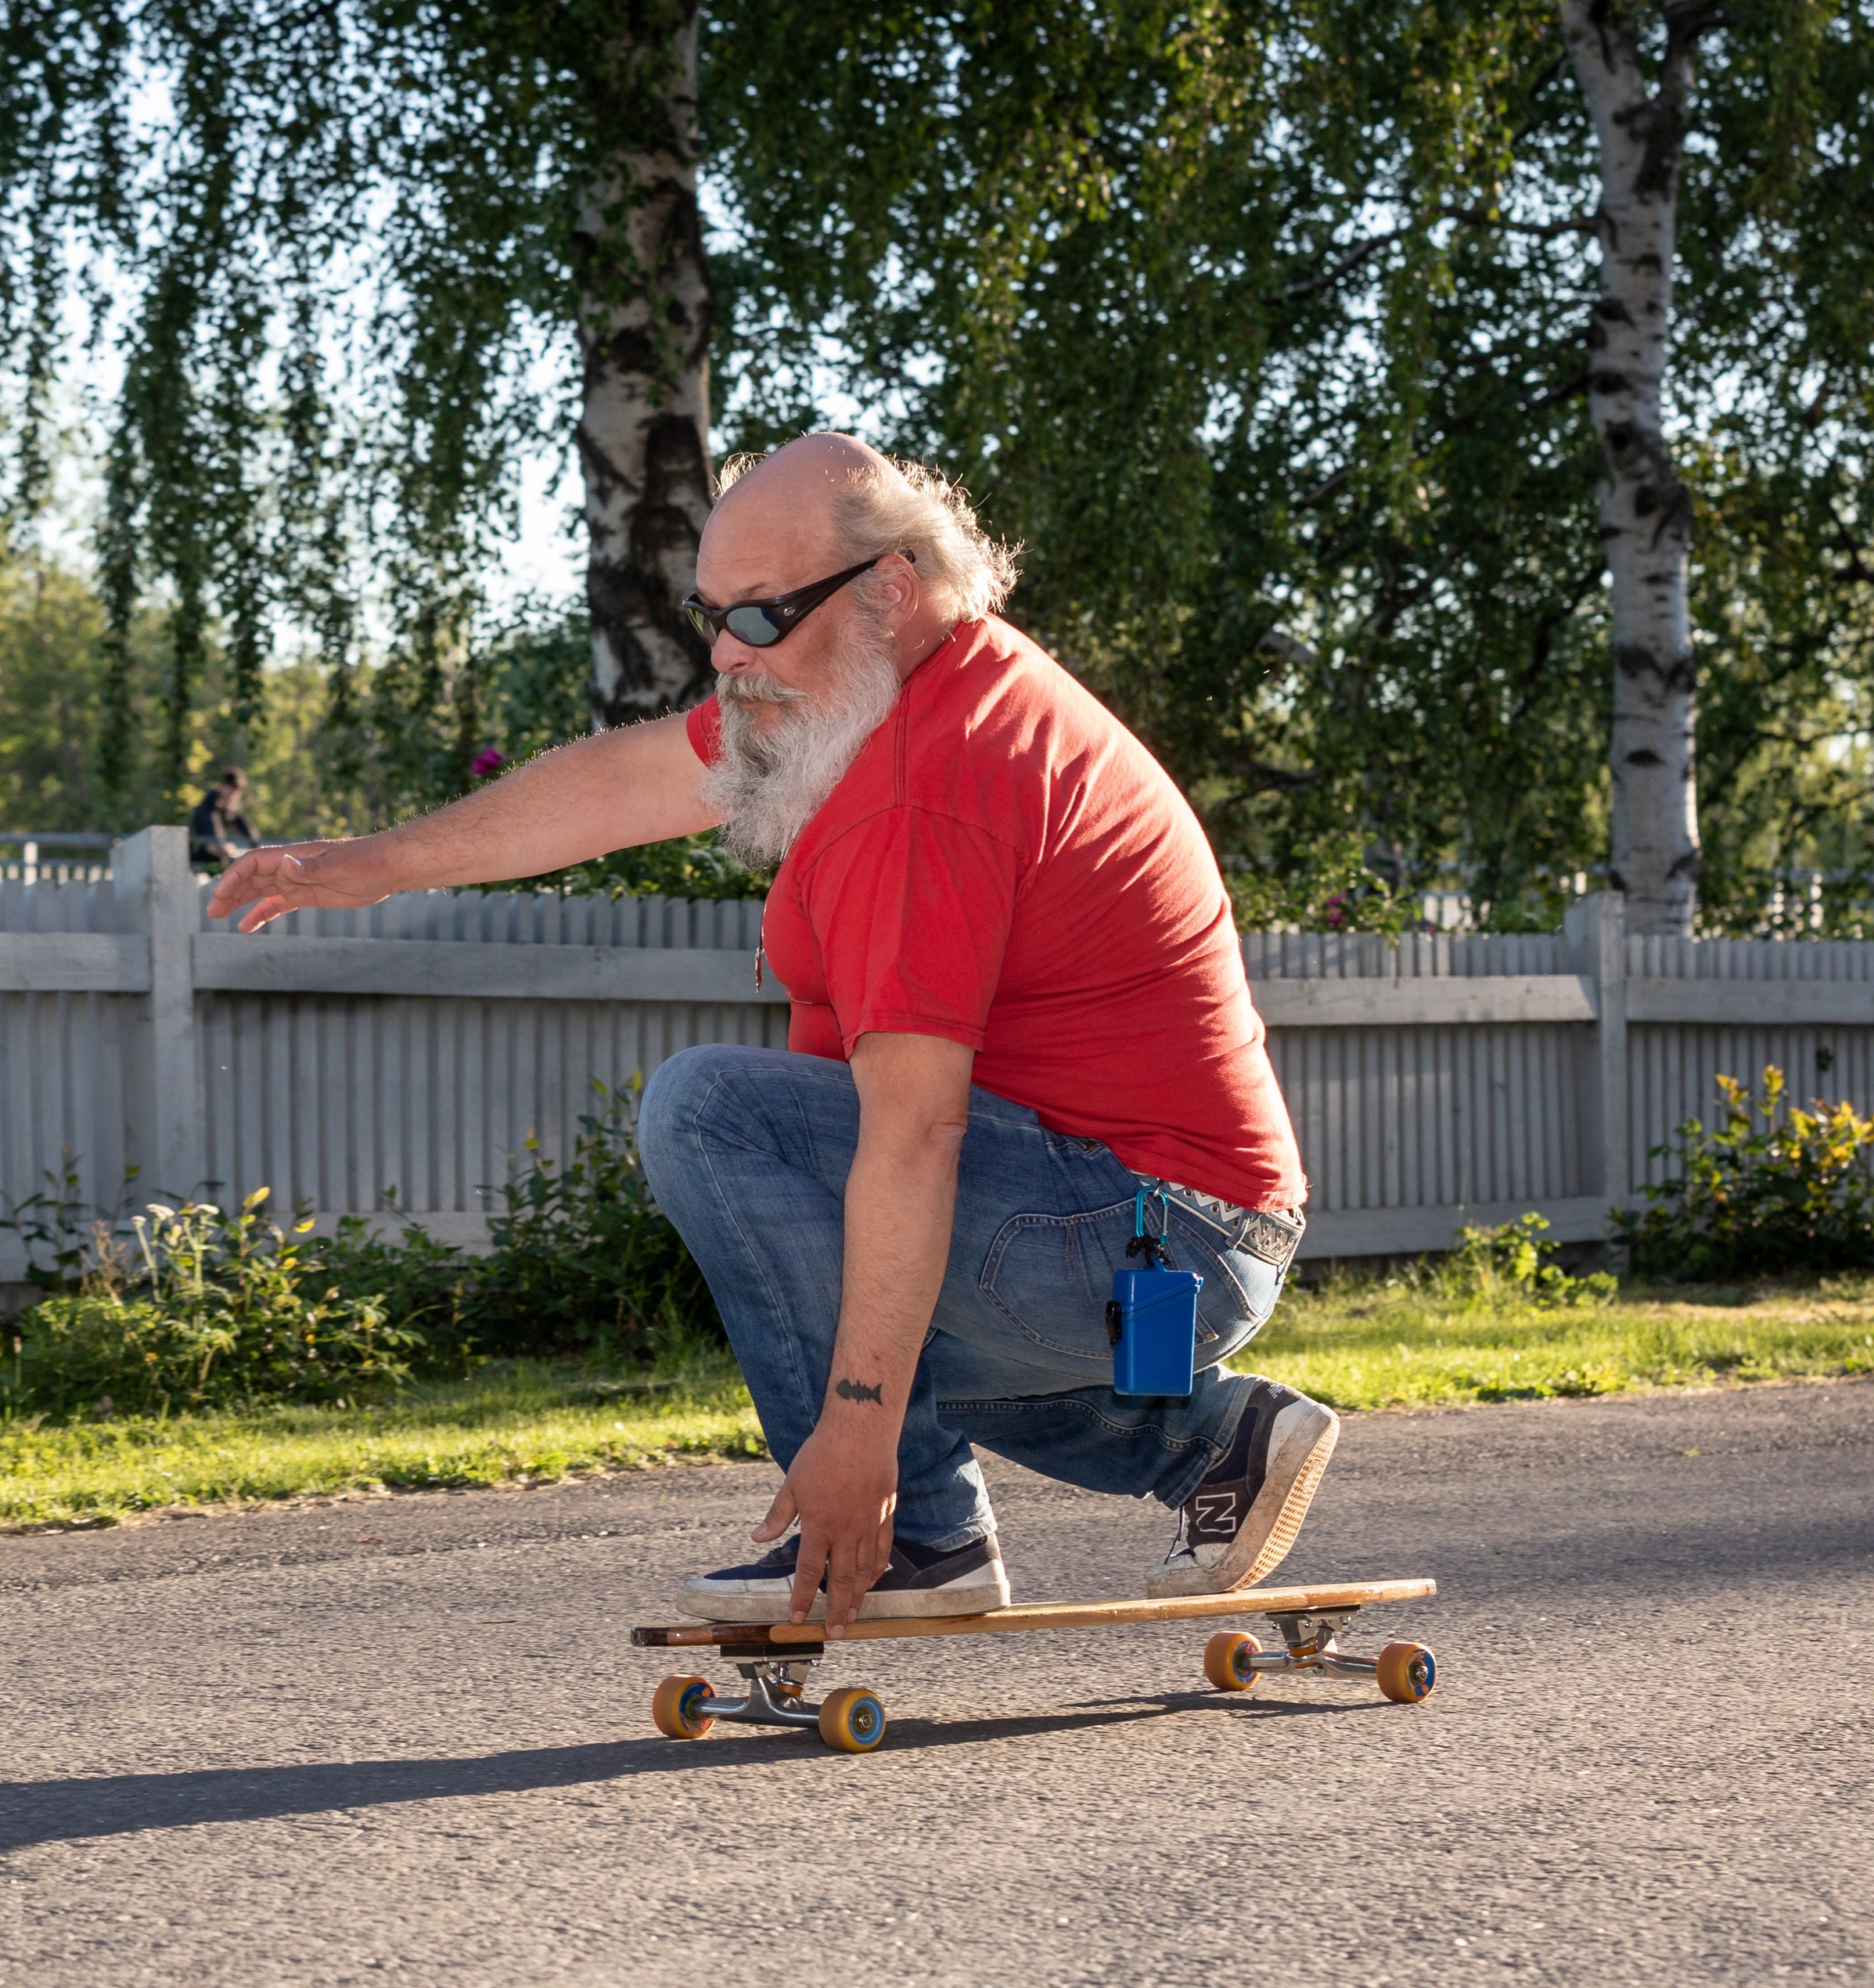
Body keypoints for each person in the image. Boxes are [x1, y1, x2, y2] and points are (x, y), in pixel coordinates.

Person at [204, 434, 1327, 1636]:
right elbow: (624, 781)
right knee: (846, 1288)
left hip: (1146, 1228)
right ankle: (1214, 1443)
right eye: (713, 616)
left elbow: (914, 1132)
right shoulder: (863, 698)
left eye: (762, 614)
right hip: (1151, 1221)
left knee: (714, 1112)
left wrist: (855, 1433)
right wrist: (360, 866)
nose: (730, 654)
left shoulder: (928, 781)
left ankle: (924, 1536)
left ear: (890, 589)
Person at [187, 766, 259, 871]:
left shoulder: (229, 806)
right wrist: (222, 845)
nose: (233, 796)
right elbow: (211, 828)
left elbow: (244, 826)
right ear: (224, 786)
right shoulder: (209, 804)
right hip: (198, 860)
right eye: (231, 792)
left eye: (235, 794)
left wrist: (256, 845)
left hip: (215, 859)